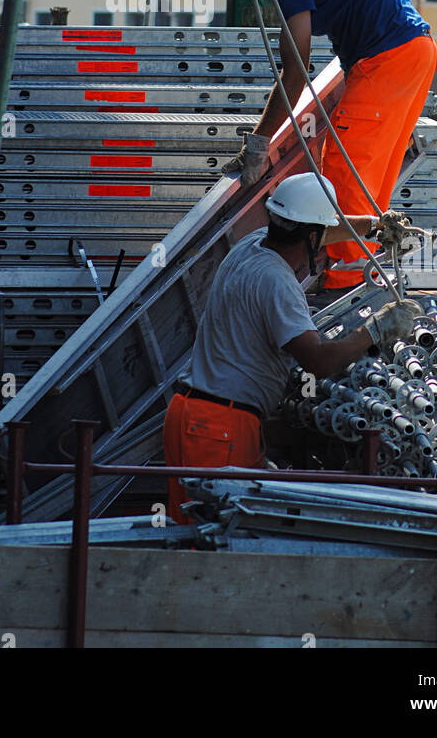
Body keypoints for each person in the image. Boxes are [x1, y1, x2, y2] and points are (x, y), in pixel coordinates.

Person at [163, 173, 422, 523]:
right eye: (320, 238)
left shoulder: (253, 245)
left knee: (187, 533)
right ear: (310, 237)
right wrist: (376, 329)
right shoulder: (277, 280)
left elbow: (315, 230)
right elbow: (317, 361)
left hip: (190, 414)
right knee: (216, 543)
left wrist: (374, 227)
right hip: (220, 425)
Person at [205, 0, 437, 291]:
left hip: (385, 61)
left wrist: (258, 145)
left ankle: (344, 286)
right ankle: (367, 276)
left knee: (343, 177)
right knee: (369, 185)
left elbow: (295, 73)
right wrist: (373, 5)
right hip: (417, 52)